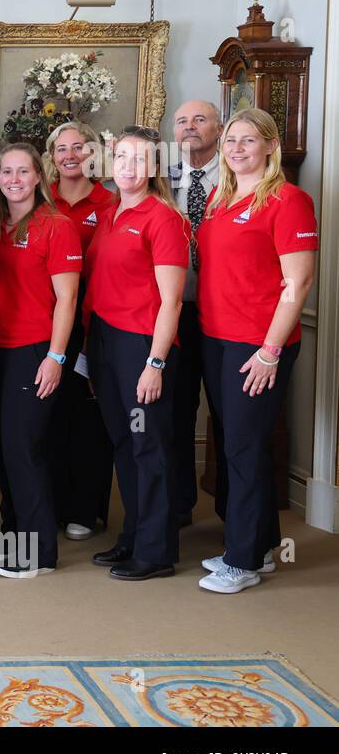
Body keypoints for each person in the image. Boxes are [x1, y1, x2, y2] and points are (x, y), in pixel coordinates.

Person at [196, 109, 316, 593]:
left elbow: (299, 280)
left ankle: (241, 562)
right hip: (217, 338)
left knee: (244, 447)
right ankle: (262, 546)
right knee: (235, 443)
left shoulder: (289, 201)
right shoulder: (220, 200)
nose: (238, 148)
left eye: (249, 140)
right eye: (231, 140)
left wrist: (270, 350)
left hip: (258, 344)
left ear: (270, 146)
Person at [83, 126, 187, 581]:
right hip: (106, 341)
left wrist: (156, 363)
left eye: (139, 159)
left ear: (154, 167)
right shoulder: (108, 213)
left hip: (143, 344)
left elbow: (173, 300)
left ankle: (157, 549)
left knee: (148, 445)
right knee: (123, 442)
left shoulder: (162, 218)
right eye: (121, 157)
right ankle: (132, 535)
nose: (128, 166)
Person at [0, 144, 81, 577]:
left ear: (40, 176)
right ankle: (14, 531)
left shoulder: (56, 226)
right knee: (3, 449)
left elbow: (68, 298)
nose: (14, 179)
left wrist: (56, 357)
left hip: (34, 350)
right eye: (6, 172)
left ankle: (39, 552)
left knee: (25, 450)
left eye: (23, 172)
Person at [45, 120, 116, 540]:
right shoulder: (43, 200)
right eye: (61, 148)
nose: (70, 155)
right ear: (51, 157)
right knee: (52, 411)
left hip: (94, 317)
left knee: (89, 415)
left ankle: (86, 509)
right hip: (49, 319)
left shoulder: (110, 201)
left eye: (80, 147)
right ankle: (52, 500)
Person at [168, 100, 228, 527]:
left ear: (220, 128)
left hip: (226, 313)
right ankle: (177, 507)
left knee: (227, 415)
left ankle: (233, 514)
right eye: (182, 121)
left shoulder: (238, 178)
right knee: (174, 410)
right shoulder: (161, 180)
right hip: (172, 313)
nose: (190, 127)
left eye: (200, 119)